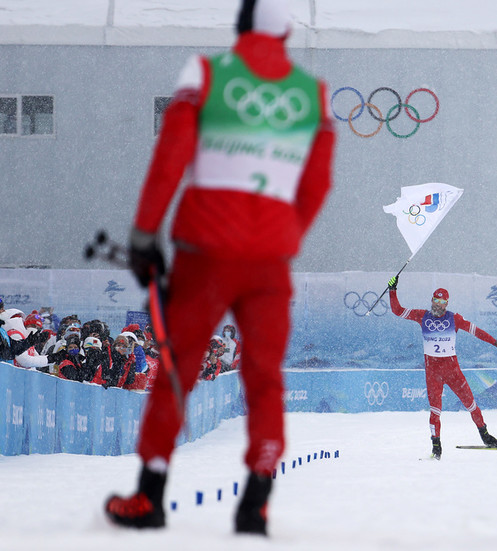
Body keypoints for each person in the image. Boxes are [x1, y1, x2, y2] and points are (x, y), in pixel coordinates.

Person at [105, 0, 335, 536]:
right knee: (264, 378)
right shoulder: (314, 96)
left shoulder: (206, 74)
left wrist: (144, 235)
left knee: (178, 369)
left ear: (241, 26)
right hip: (269, 262)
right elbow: (319, 183)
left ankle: (150, 494)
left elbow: (171, 156)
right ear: (286, 33)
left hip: (203, 251)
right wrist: (285, 234)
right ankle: (256, 501)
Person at [386, 276, 497, 460]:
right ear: (431, 301)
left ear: (446, 304)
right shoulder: (422, 316)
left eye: (441, 302)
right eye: (435, 301)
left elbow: (477, 332)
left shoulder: (454, 319)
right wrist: (392, 290)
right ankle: (436, 449)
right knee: (435, 411)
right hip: (433, 374)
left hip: (453, 372)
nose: (437, 305)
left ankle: (486, 436)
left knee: (471, 404)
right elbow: (397, 310)